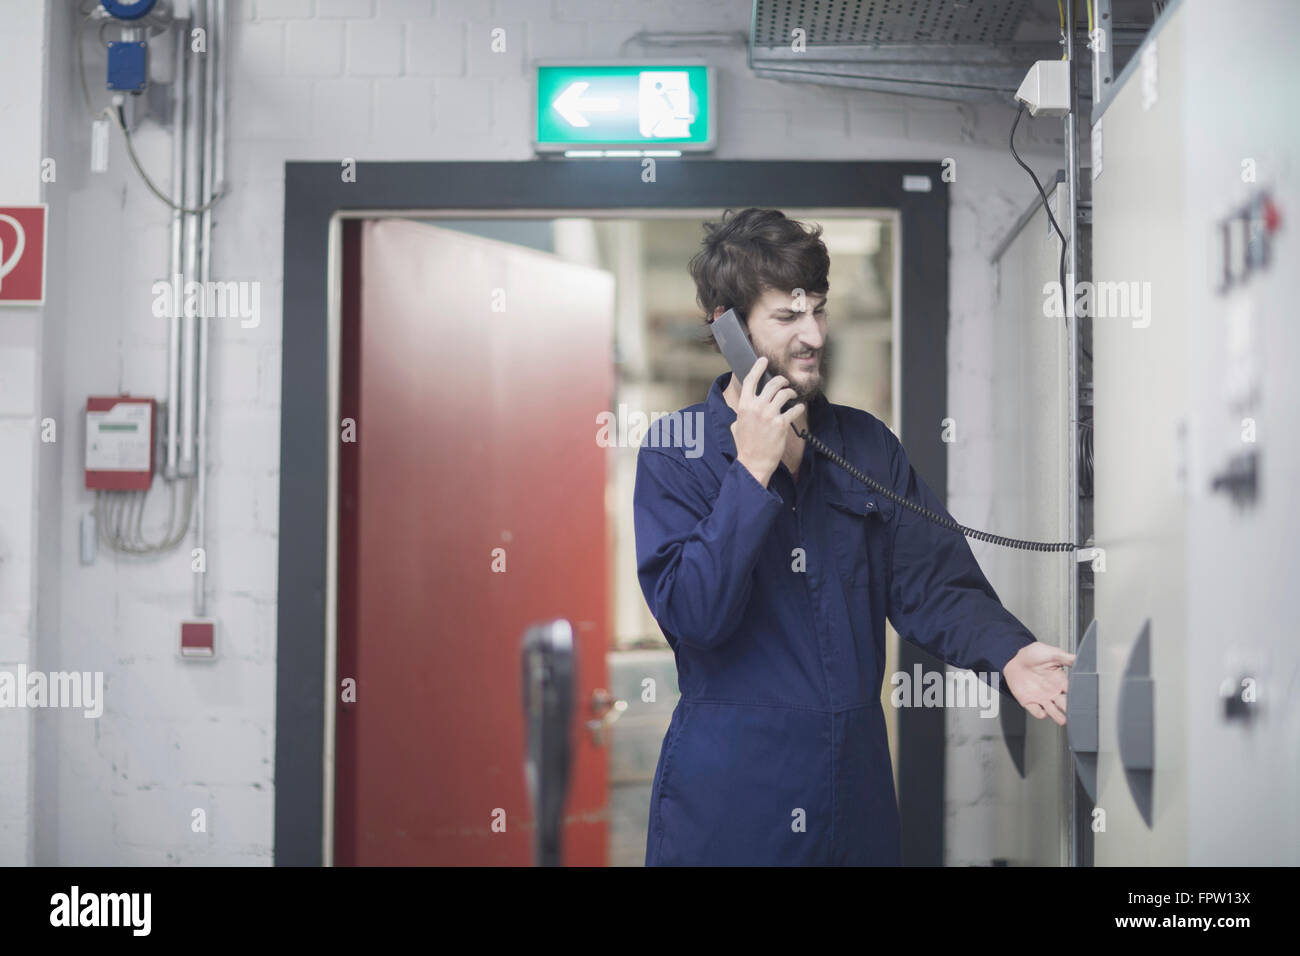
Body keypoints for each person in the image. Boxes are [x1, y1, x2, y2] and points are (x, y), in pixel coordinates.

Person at [632, 207, 1075, 866]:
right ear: (726, 327)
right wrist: (752, 471)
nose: (812, 334)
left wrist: (1005, 652)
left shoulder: (864, 444)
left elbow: (934, 583)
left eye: (817, 310)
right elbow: (695, 614)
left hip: (853, 792)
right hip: (733, 804)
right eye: (786, 318)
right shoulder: (675, 453)